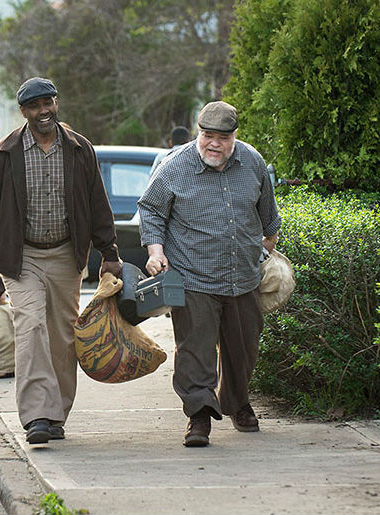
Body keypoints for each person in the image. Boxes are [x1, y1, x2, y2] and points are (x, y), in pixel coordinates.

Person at [0, 77, 122, 445]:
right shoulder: (4, 154)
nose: (43, 111)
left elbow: (98, 203)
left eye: (47, 103)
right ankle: (37, 415)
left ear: (56, 103)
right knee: (31, 326)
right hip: (22, 257)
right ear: (24, 112)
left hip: (66, 253)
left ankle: (57, 413)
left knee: (62, 335)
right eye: (34, 106)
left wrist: (109, 253)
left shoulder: (79, 149)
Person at [137, 101, 281, 448]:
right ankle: (199, 414)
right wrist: (156, 252)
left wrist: (267, 247)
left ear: (235, 136)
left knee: (243, 348)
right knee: (195, 350)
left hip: (242, 275)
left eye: (223, 137)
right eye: (207, 135)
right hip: (193, 277)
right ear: (198, 132)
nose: (214, 144)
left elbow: (269, 216)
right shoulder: (175, 167)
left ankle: (237, 403)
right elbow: (150, 210)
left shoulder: (252, 162)